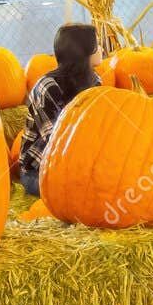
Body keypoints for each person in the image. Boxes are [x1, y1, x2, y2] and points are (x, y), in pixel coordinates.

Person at [17, 23, 102, 197]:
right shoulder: (46, 87)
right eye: (97, 44)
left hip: (80, 164)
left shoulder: (96, 82)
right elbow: (56, 142)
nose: (101, 49)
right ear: (82, 51)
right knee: (76, 194)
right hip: (40, 170)